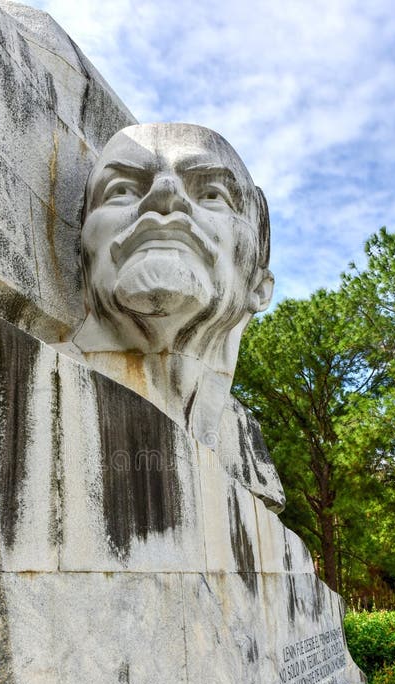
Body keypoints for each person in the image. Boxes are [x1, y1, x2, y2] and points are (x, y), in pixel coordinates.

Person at [73, 122, 274, 447]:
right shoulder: (10, 385)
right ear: (82, 259)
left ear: (259, 287)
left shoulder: (250, 454)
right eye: (120, 190)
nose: (164, 195)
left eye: (212, 195)